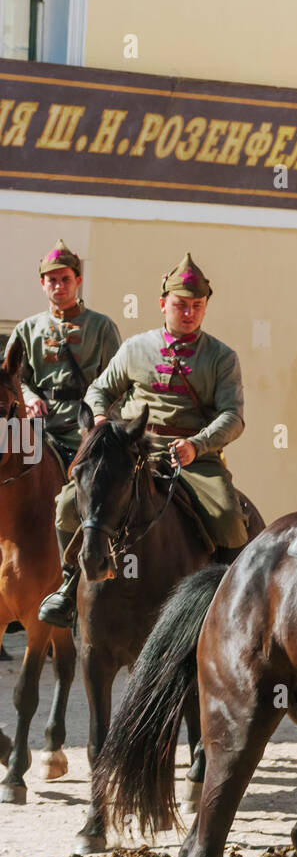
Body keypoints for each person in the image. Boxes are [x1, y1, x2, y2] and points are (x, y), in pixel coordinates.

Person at [38, 253, 247, 627]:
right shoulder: (136, 348)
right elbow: (99, 390)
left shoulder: (221, 357)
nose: (189, 313)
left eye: (197, 306)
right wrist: (101, 421)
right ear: (162, 304)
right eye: (181, 305)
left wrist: (197, 444)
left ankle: (230, 606)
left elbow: (233, 417)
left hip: (192, 456)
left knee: (229, 518)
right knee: (67, 505)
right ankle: (69, 587)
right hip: (131, 452)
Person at [5, 240, 121, 460]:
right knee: (9, 464)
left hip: (84, 423)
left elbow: (116, 382)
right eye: (52, 280)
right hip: (38, 423)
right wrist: (29, 398)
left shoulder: (101, 326)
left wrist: (101, 418)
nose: (59, 286)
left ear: (78, 281)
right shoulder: (27, 329)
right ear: (42, 283)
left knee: (91, 483)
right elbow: (12, 377)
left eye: (65, 279)